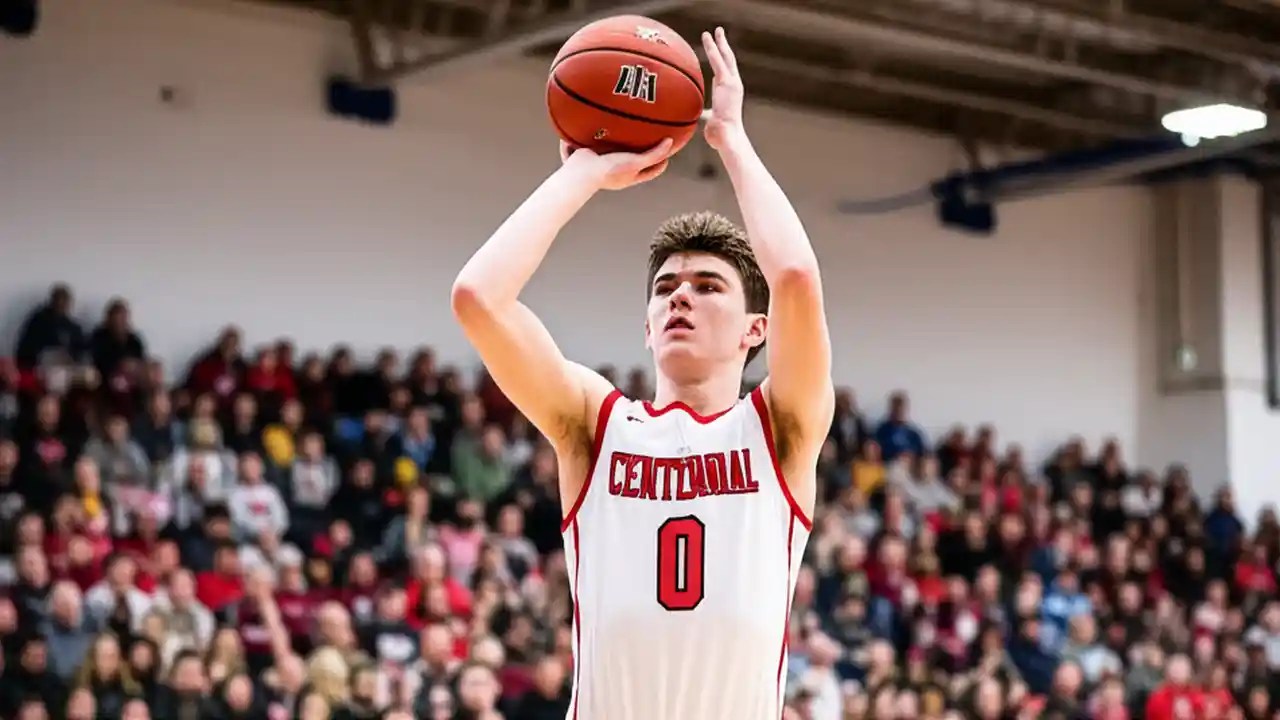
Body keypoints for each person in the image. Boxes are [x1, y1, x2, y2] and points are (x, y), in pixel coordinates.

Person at [450, 26, 833, 720]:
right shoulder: (596, 424)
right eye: (666, 288)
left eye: (709, 286)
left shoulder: (777, 430)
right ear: (647, 325)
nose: (680, 294)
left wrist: (732, 142)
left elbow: (798, 278)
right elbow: (478, 297)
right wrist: (582, 173)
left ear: (757, 329)